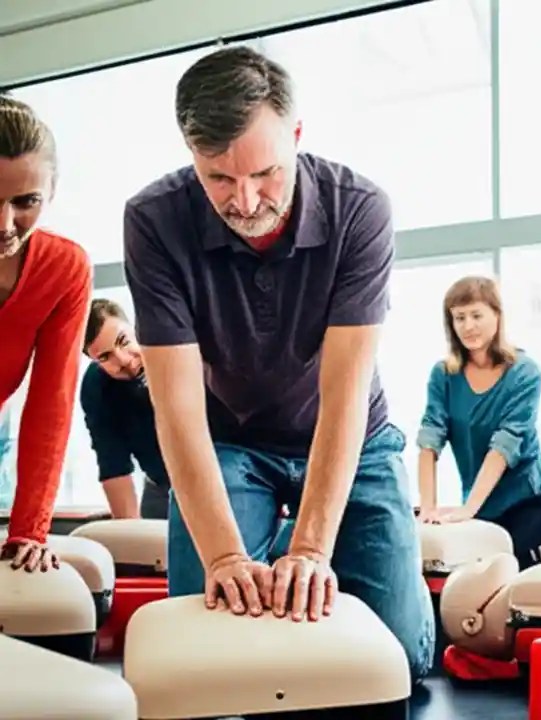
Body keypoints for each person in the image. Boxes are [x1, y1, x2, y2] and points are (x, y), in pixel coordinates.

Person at [121, 46, 432, 680]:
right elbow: (177, 412)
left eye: (265, 172)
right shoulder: (153, 220)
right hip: (231, 439)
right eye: (218, 177)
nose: (244, 200)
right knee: (204, 635)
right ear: (190, 153)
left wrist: (314, 549)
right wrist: (227, 560)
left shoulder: (359, 210)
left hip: (353, 436)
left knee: (400, 654)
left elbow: (343, 396)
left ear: (296, 135)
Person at [0, 96, 92, 573]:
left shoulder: (65, 268)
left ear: (50, 191)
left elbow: (50, 402)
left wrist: (29, 529)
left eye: (25, 202)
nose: (5, 225)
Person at [416, 276, 541, 570]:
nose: (468, 326)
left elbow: (504, 446)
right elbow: (430, 439)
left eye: (476, 315)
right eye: (459, 317)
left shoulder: (524, 372)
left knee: (501, 567)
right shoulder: (444, 375)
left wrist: (468, 510)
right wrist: (428, 509)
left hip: (529, 502)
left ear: (497, 315)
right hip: (483, 507)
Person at [80, 299, 170, 520]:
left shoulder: (174, 349)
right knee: (140, 548)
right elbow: (113, 464)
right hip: (161, 486)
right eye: (104, 356)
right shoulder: (97, 386)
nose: (124, 361)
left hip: (225, 475)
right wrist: (130, 535)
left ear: (135, 327)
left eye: (123, 341)